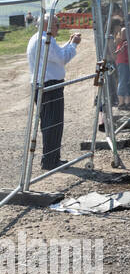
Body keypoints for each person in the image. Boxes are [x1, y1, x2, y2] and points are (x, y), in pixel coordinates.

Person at [26, 14, 81, 172]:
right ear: (48, 25)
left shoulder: (41, 39)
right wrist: (74, 45)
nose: (59, 27)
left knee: (51, 123)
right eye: (57, 24)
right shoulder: (44, 40)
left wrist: (69, 43)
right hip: (48, 85)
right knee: (52, 123)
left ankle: (52, 158)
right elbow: (63, 58)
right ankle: (50, 161)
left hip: (46, 84)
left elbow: (56, 55)